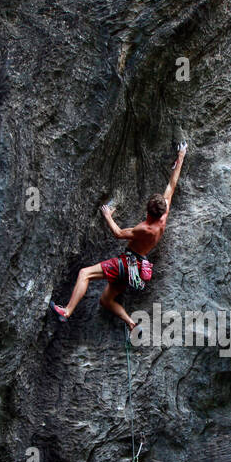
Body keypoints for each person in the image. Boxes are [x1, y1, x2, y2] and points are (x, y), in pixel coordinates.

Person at [52, 142, 187, 332]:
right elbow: (171, 185)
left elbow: (118, 233)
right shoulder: (162, 220)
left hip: (127, 263)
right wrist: (180, 156)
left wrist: (108, 216)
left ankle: (66, 311)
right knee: (106, 299)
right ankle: (131, 323)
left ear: (148, 211)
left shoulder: (144, 228)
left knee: (85, 273)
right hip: (136, 269)